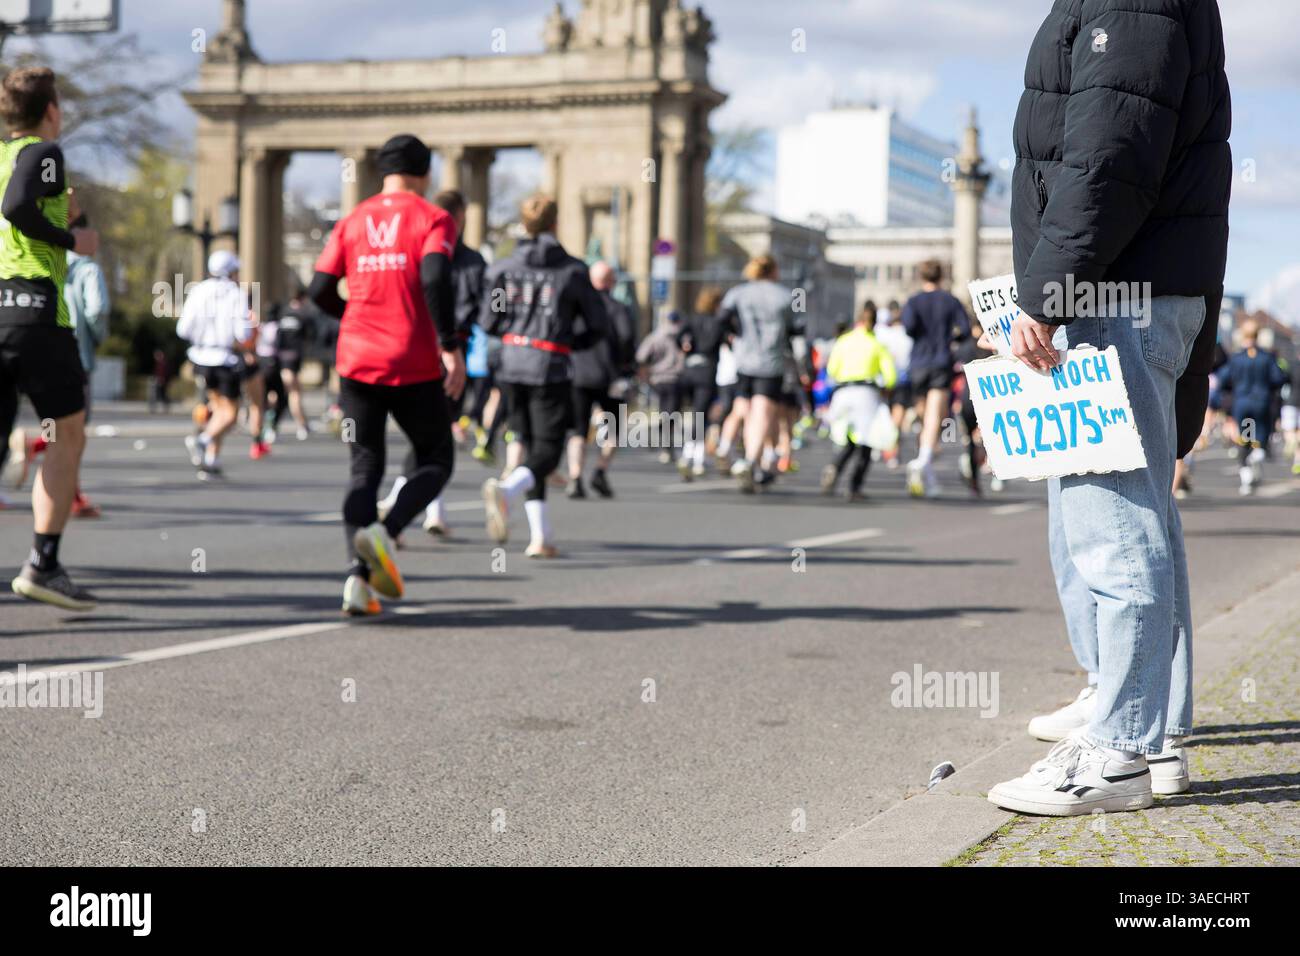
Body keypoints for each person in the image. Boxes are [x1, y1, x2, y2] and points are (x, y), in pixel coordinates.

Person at [990, 0, 1231, 817]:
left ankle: (1120, 747)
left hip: (1115, 289)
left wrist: (1047, 286)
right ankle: (1141, 726)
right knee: (1131, 515)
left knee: (1113, 521)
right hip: (1134, 286)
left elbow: (1107, 152)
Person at [307, 133, 464, 615]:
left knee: (364, 468)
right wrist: (449, 344)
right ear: (425, 173)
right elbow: (436, 276)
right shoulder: (432, 217)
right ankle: (387, 531)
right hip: (412, 359)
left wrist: (355, 312)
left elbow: (317, 289)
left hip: (356, 359)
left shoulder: (353, 220)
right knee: (436, 457)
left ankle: (357, 581)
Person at [0, 67, 99, 609]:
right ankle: (44, 562)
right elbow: (16, 206)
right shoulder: (44, 152)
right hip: (33, 309)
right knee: (67, 434)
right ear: (52, 110)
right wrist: (72, 239)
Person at [480, 194, 607, 558]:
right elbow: (597, 323)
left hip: (511, 363)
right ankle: (507, 491)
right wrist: (570, 341)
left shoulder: (503, 268)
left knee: (525, 441)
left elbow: (489, 320)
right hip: (549, 365)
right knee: (548, 454)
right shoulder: (571, 270)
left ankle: (541, 536)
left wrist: (513, 328)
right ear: (555, 223)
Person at [377, 188, 485, 538]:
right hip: (452, 350)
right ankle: (408, 509)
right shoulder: (471, 261)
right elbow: (482, 307)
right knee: (436, 439)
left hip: (414, 347)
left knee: (427, 436)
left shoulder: (414, 252)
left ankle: (415, 504)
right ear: (462, 216)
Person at [720, 254, 800, 493]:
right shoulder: (789, 295)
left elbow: (721, 319)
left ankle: (726, 447)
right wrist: (800, 366)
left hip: (744, 361)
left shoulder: (738, 293)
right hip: (771, 363)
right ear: (774, 271)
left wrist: (735, 337)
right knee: (763, 413)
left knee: (741, 408)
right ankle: (751, 459)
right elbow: (798, 329)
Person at [177, 250, 255, 479]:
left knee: (218, 410)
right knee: (230, 414)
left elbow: (183, 329)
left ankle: (211, 460)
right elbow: (243, 332)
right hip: (224, 358)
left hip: (201, 357)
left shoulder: (199, 290)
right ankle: (202, 441)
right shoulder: (235, 293)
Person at [900, 259, 969, 498]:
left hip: (918, 362)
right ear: (942, 276)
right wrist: (952, 340)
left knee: (923, 416)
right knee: (933, 417)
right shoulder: (950, 301)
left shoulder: (913, 301)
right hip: (940, 361)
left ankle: (925, 466)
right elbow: (965, 330)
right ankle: (922, 461)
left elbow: (908, 328)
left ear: (921, 276)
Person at [566, 260, 636, 498]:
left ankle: (575, 477)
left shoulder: (576, 308)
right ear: (611, 282)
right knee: (615, 429)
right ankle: (600, 470)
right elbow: (626, 337)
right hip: (610, 377)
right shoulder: (618, 308)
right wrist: (626, 365)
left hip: (578, 374)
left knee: (578, 431)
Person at [821, 301, 896, 500]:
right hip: (866, 393)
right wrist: (886, 388)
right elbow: (890, 377)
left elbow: (831, 370)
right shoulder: (876, 344)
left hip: (842, 393)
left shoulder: (843, 340)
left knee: (848, 438)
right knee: (866, 440)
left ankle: (835, 466)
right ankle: (854, 486)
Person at [1218, 319, 1286, 495]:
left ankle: (1246, 478)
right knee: (1261, 436)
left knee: (1245, 439)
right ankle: (1258, 455)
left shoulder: (1237, 358)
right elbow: (1279, 378)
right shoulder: (1267, 357)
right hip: (1261, 402)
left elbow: (1223, 379)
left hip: (1242, 403)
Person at [674, 286, 727, 480]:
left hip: (689, 371)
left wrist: (686, 347)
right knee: (700, 415)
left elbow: (679, 337)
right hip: (707, 372)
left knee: (695, 414)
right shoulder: (718, 323)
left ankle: (692, 456)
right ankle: (693, 458)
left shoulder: (692, 319)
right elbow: (721, 342)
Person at [635, 309, 685, 462]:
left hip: (657, 379)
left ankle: (662, 441)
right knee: (671, 412)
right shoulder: (683, 335)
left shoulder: (655, 337)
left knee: (661, 410)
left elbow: (641, 356)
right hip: (676, 379)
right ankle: (665, 444)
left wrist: (647, 371)